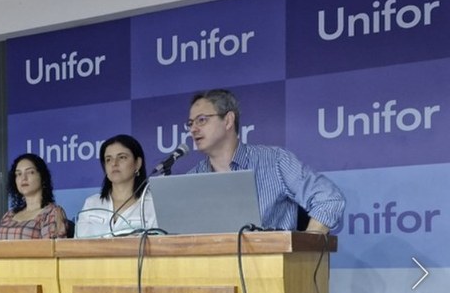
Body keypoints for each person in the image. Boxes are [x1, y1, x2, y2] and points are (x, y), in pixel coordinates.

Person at [186, 89, 345, 232]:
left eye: (202, 120)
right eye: (190, 123)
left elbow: (329, 199)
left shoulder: (275, 161)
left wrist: (307, 246)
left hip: (269, 263)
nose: (193, 129)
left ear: (228, 120)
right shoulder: (191, 179)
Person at [75, 134, 157, 238]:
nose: (114, 163)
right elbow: (78, 246)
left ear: (138, 163)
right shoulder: (91, 204)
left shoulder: (153, 205)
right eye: (108, 159)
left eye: (122, 157)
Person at [0, 153, 68, 240]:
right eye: (19, 174)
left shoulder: (51, 213)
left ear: (42, 178)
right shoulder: (9, 215)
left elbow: (51, 250)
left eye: (30, 172)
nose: (23, 178)